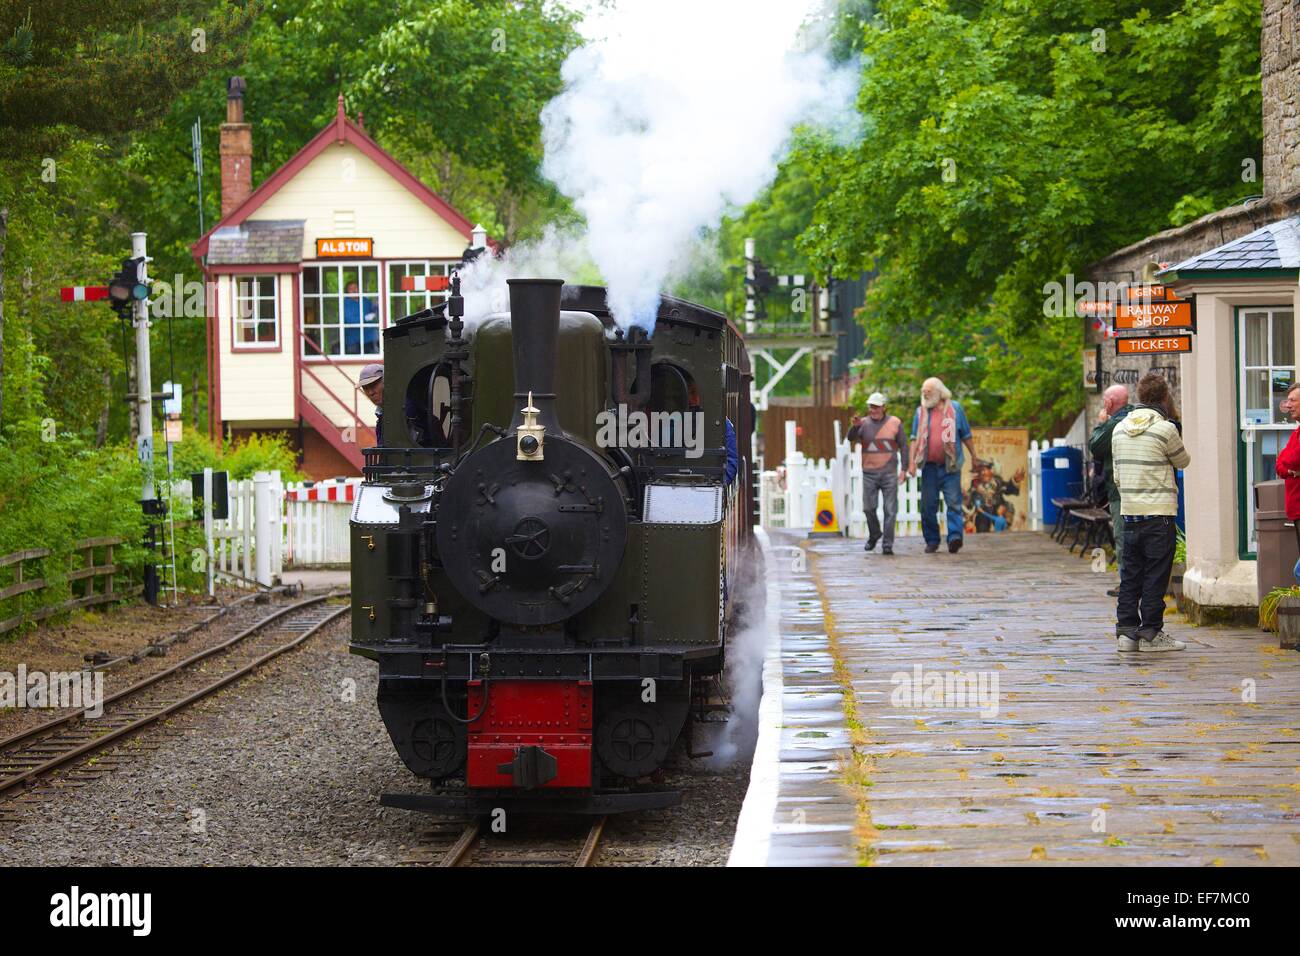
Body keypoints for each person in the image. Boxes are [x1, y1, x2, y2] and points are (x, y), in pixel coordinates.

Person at [1112, 372, 1190, 652]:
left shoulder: (1119, 429)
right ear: (1164, 397)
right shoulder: (1166, 429)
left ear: (1139, 396)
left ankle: (1126, 634)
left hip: (1130, 513)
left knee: (1130, 576)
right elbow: (1183, 461)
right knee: (1156, 576)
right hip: (1159, 514)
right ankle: (1151, 634)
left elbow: (1118, 475)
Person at [908, 377, 977, 554]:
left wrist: (974, 456)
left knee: (954, 503)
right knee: (928, 506)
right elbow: (914, 438)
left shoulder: (955, 409)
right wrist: (911, 463)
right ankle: (932, 540)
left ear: (939, 392)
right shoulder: (920, 412)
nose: (924, 394)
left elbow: (966, 434)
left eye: (928, 391)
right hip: (929, 466)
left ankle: (954, 538)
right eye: (923, 391)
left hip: (950, 465)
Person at [848, 392, 908, 554]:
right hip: (869, 473)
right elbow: (850, 438)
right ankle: (874, 534)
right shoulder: (863, 423)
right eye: (870, 406)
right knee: (868, 508)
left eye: (876, 406)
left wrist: (904, 469)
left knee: (890, 510)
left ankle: (887, 545)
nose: (872, 409)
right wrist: (855, 426)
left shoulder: (895, 422)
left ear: (884, 407)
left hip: (889, 473)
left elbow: (903, 446)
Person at [1089, 384, 1133, 596]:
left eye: (1105, 400)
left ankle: (1127, 584)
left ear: (1109, 402)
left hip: (1118, 490)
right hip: (1138, 487)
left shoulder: (1114, 423)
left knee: (1122, 536)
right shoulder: (1133, 415)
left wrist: (1100, 423)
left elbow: (1096, 446)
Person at [1274, 382, 1300, 583]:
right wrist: (1289, 468)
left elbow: (1292, 459)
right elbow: (1281, 465)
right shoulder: (1296, 433)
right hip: (1296, 509)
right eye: (1288, 400)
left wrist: (1287, 464)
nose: (1288, 405)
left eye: (1293, 400)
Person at [343, 280, 379, 354]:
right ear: (347, 292)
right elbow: (349, 320)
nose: (354, 290)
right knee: (353, 361)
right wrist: (364, 318)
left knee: (370, 361)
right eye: (350, 289)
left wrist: (376, 306)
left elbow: (373, 313)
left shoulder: (365, 301)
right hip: (353, 340)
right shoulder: (346, 303)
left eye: (355, 287)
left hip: (368, 338)